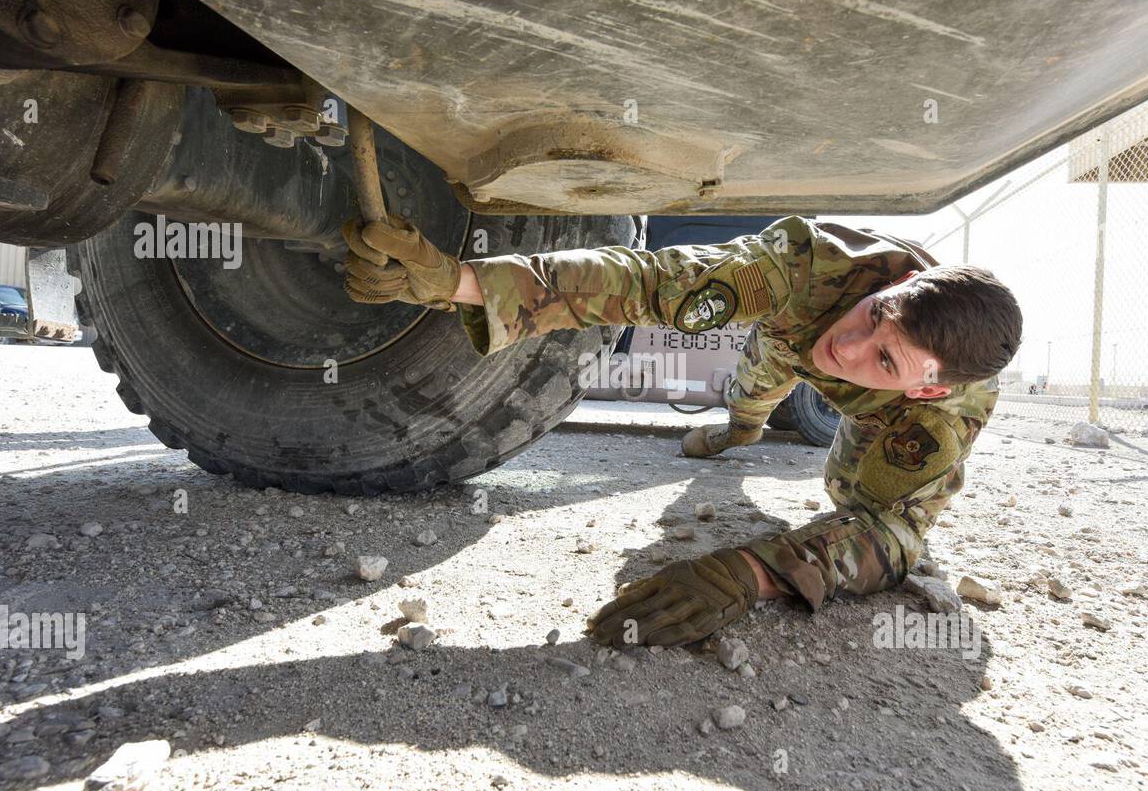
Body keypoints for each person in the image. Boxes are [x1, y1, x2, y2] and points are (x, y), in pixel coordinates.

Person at [342, 214, 1023, 648]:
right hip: (781, 345)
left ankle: (751, 430)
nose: (851, 346)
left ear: (927, 384)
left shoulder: (934, 417)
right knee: (750, 395)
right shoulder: (816, 266)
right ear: (901, 282)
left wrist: (755, 572)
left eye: (884, 357)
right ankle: (739, 435)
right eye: (876, 314)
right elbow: (653, 282)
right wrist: (461, 282)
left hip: (875, 416)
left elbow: (892, 531)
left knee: (847, 486)